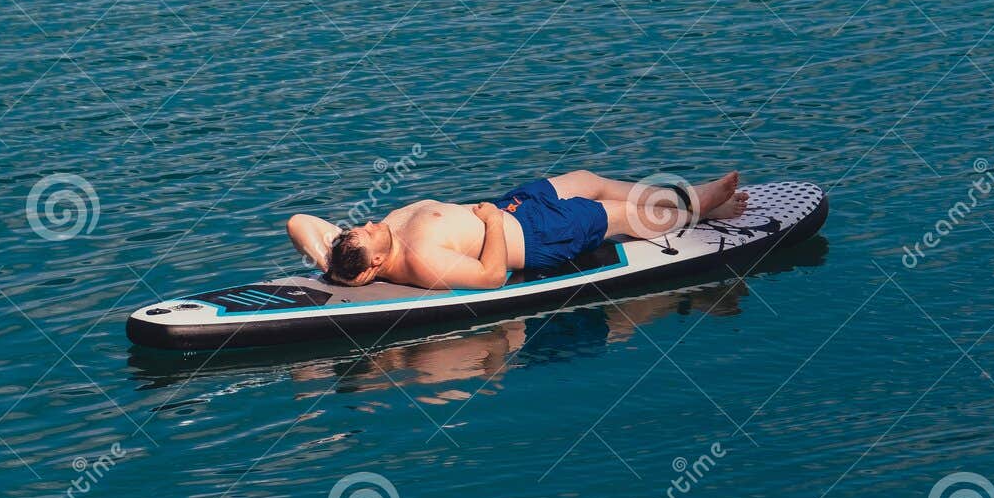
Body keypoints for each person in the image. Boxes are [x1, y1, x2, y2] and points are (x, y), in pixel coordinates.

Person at [286, 168, 748, 293]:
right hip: (533, 238)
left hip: (513, 207)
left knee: (587, 179)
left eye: (359, 226)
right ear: (380, 264)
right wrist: (489, 222)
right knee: (616, 215)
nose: (369, 222)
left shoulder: (363, 249)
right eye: (367, 233)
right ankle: (698, 204)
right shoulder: (422, 260)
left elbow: (298, 222)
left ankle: (689, 204)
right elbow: (491, 277)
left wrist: (334, 264)